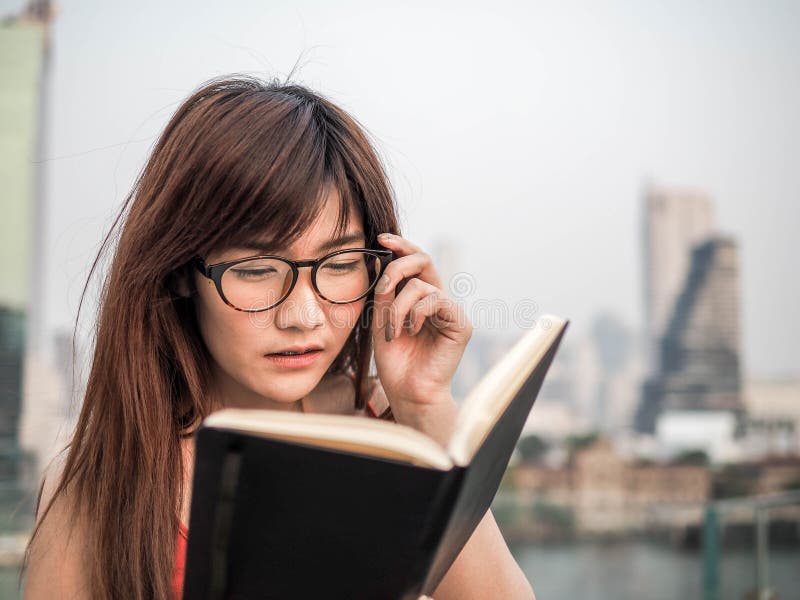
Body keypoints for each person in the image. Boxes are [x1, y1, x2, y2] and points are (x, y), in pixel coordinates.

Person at [21, 75, 536, 600]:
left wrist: (425, 405)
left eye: (339, 263)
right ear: (177, 272)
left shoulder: (394, 428)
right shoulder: (101, 484)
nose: (304, 315)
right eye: (256, 268)